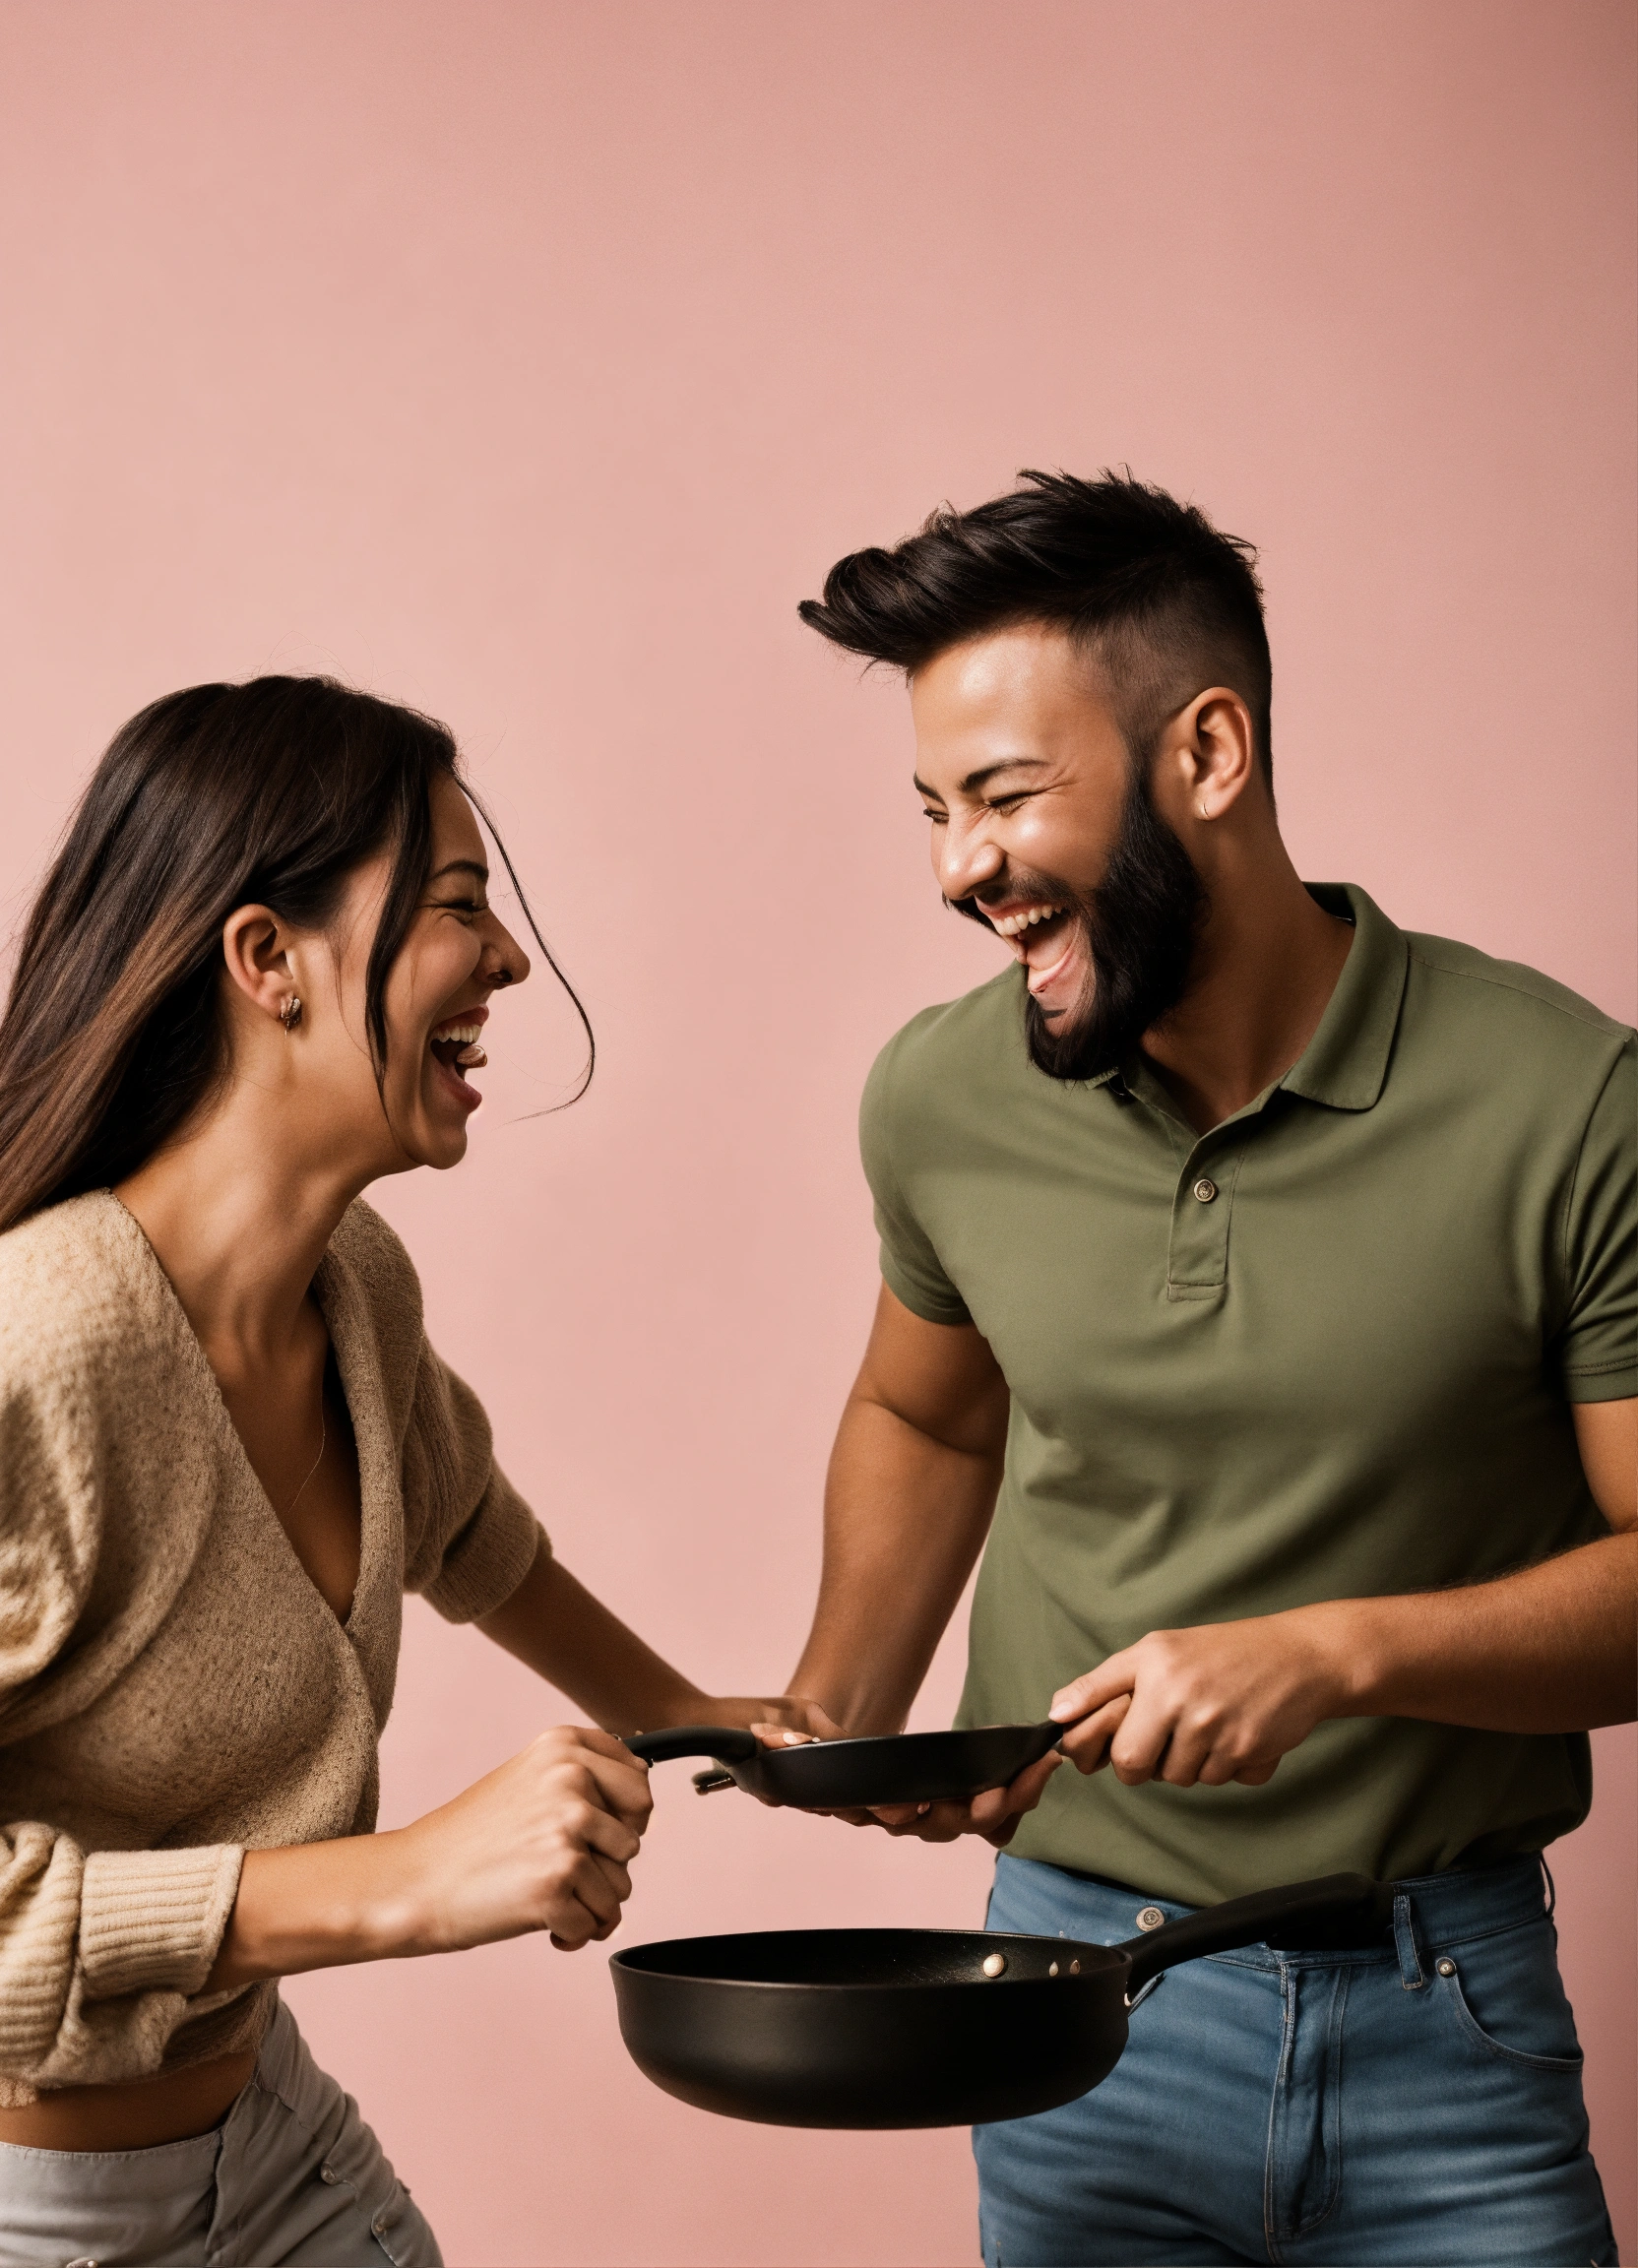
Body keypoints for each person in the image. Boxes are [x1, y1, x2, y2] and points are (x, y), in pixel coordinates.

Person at [786, 472, 1636, 2267]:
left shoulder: (1571, 1104)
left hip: (1447, 2008)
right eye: (934, 810)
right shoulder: (939, 1096)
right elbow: (926, 1409)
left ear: (1211, 753)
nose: (957, 868)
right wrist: (852, 1712)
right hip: (1071, 2008)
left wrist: (1336, 1655)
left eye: (1005, 796)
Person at [0, 677, 813, 2267]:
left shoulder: (350, 1287)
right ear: (267, 962)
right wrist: (402, 1884)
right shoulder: (42, 1350)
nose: (508, 958)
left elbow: (467, 1529)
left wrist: (718, 1723)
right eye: (456, 905)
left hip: (271, 2146)